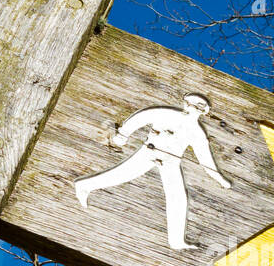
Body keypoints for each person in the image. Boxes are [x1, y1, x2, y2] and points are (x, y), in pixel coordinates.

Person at [75, 93, 231, 250]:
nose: (193, 107)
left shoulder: (198, 133)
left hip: (171, 162)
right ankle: (84, 186)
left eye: (199, 106)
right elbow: (142, 117)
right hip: (150, 152)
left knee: (178, 197)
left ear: (204, 111)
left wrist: (220, 180)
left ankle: (176, 241)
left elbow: (206, 160)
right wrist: (123, 134)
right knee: (121, 174)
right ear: (185, 103)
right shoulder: (166, 113)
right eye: (191, 103)